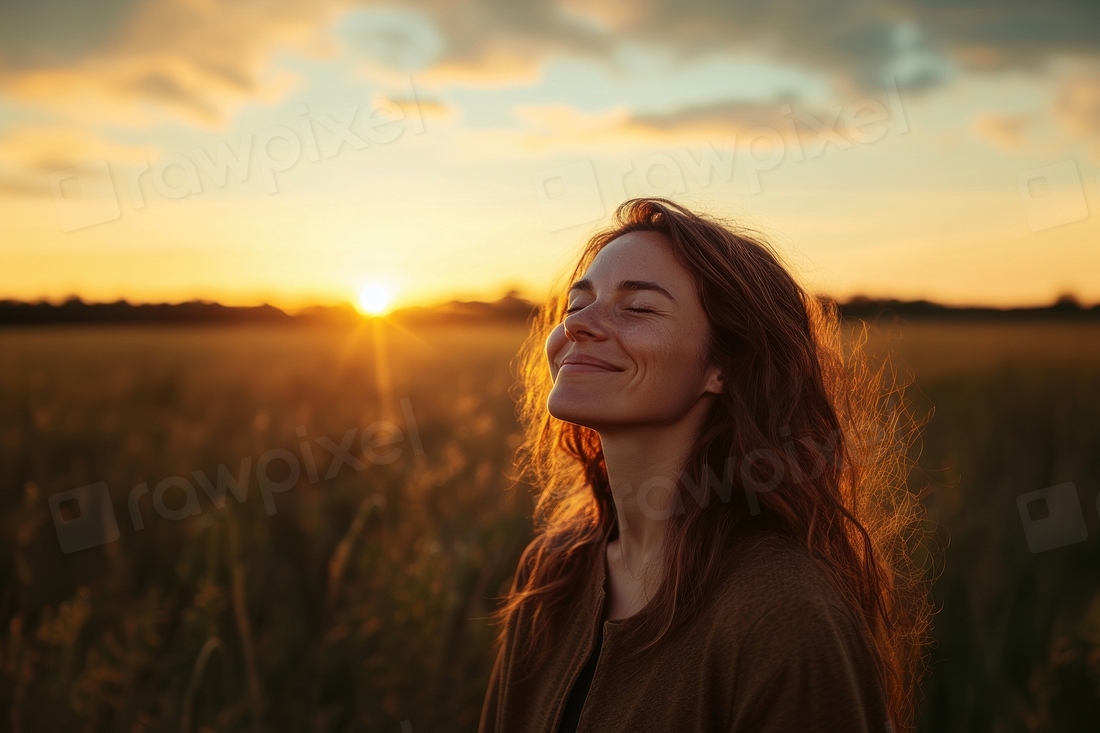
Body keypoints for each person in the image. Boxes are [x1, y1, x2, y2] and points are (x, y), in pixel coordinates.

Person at [478, 198, 934, 733]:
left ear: (722, 365)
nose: (579, 326)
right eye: (577, 304)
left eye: (639, 308)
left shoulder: (784, 614)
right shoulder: (556, 570)